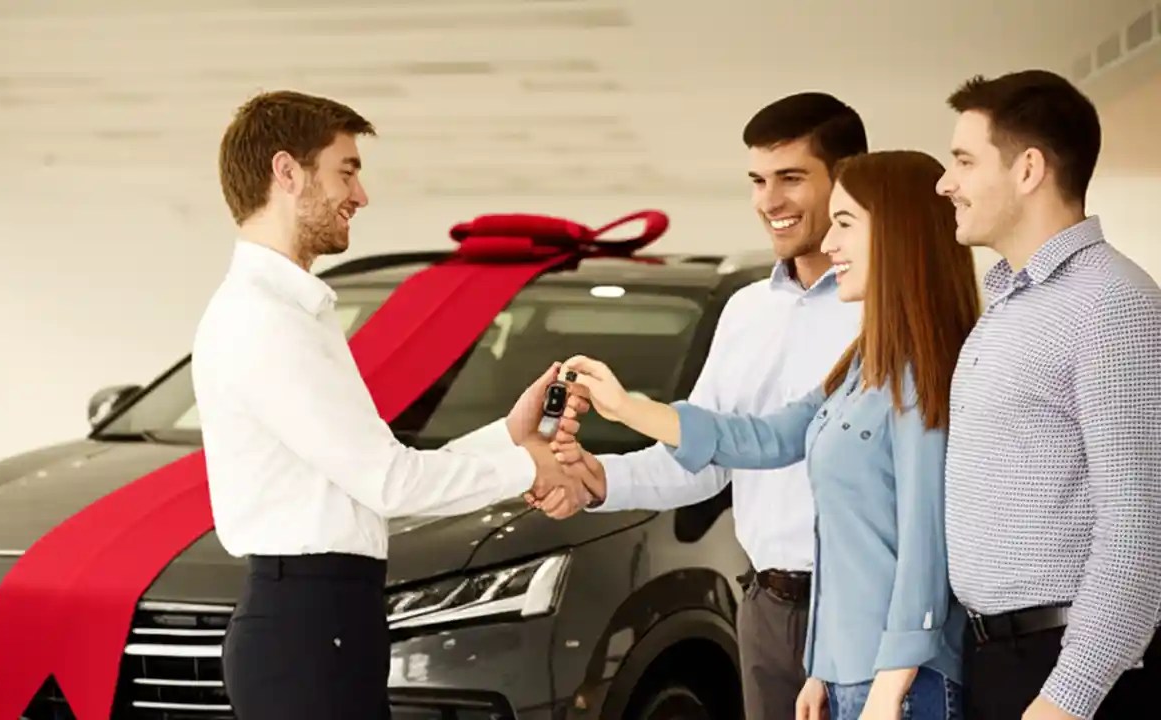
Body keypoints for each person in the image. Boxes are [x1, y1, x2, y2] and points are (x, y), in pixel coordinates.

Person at [190, 90, 588, 720]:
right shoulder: (265, 322)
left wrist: (512, 438)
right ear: (287, 172)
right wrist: (528, 468)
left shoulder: (287, 313)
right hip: (310, 629)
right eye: (346, 170)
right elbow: (390, 482)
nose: (361, 194)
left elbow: (376, 470)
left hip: (321, 623)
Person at [552, 150, 981, 720]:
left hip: (899, 683)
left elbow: (925, 551)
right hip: (848, 671)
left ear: (899, 238)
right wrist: (627, 408)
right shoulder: (861, 365)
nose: (830, 245)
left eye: (846, 225)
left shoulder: (922, 377)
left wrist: (889, 686)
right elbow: (766, 438)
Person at [530, 92, 867, 720]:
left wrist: (630, 407)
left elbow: (769, 439)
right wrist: (599, 480)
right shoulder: (746, 312)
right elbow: (706, 459)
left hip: (864, 614)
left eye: (791, 178)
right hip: (767, 610)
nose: (770, 201)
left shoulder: (887, 315)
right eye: (758, 181)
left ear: (847, 177)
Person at [935, 69, 1161, 720]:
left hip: (1069, 671)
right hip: (1002, 660)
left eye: (965, 160)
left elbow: (1138, 533)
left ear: (1028, 168)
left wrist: (1068, 697)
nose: (946, 182)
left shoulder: (1113, 306)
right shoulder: (1013, 300)